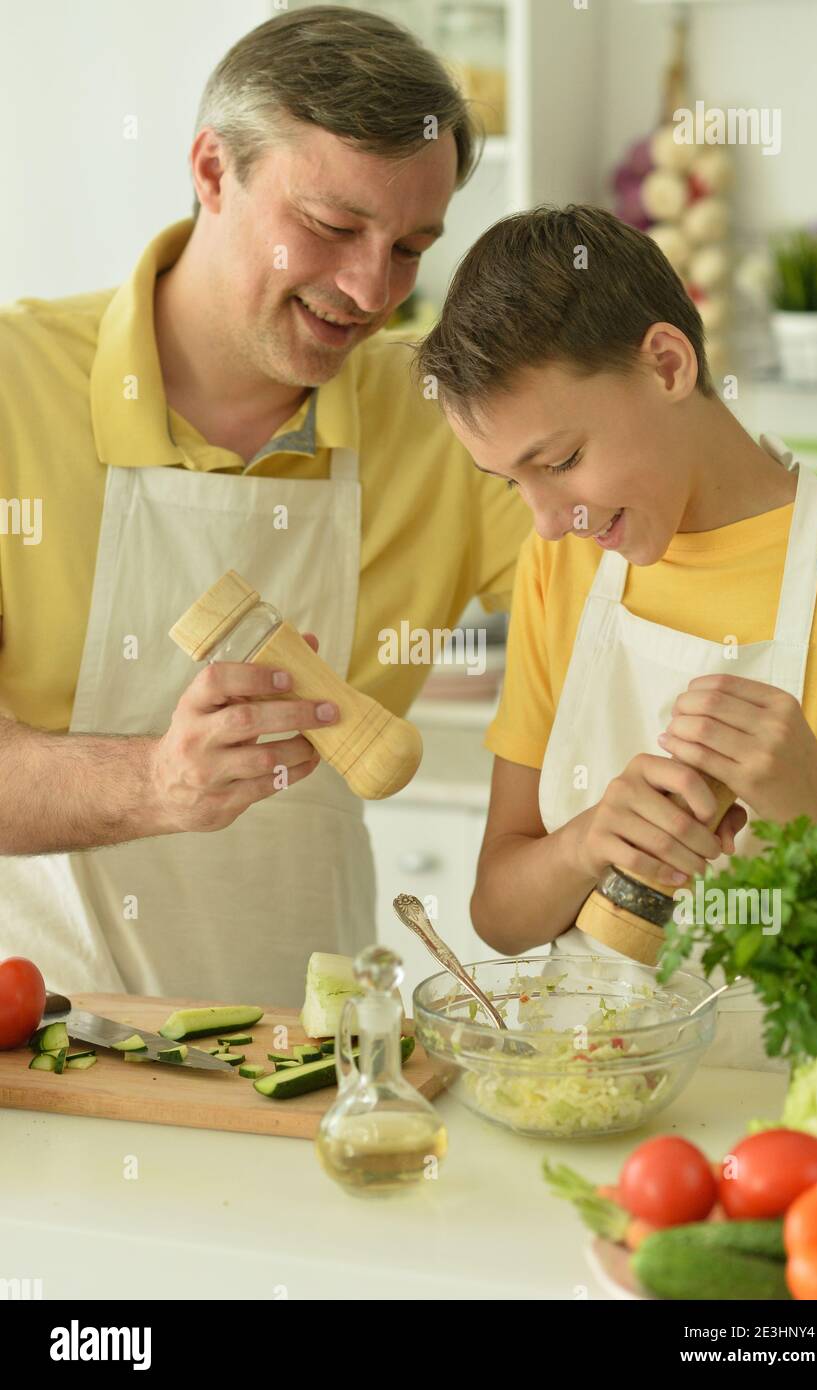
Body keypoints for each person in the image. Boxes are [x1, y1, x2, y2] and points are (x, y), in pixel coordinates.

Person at [0, 7, 530, 1002]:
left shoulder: (440, 420)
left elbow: (647, 558)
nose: (372, 289)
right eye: (331, 228)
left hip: (304, 1054)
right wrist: (158, 781)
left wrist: (808, 518)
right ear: (212, 171)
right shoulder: (11, 384)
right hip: (36, 1049)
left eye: (411, 246)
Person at [416, 204, 817, 1070]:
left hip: (804, 1126)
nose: (548, 521)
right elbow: (498, 915)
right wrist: (588, 841)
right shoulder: (567, 568)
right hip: (584, 1091)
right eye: (512, 482)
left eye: (560, 461)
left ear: (666, 363)